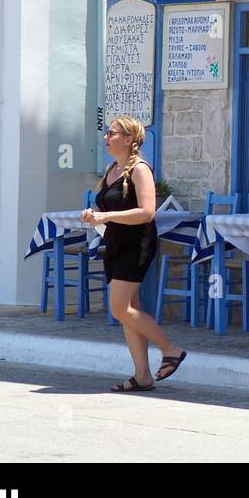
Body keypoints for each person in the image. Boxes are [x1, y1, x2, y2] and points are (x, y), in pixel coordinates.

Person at [82, 116, 187, 392]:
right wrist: (95, 216)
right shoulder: (112, 170)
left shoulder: (140, 169)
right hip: (116, 242)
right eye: (106, 132)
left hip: (137, 244)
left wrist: (107, 215)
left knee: (120, 308)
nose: (106, 137)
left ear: (129, 139)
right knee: (131, 310)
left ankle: (171, 349)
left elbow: (147, 212)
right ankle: (142, 375)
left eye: (112, 133)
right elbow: (111, 207)